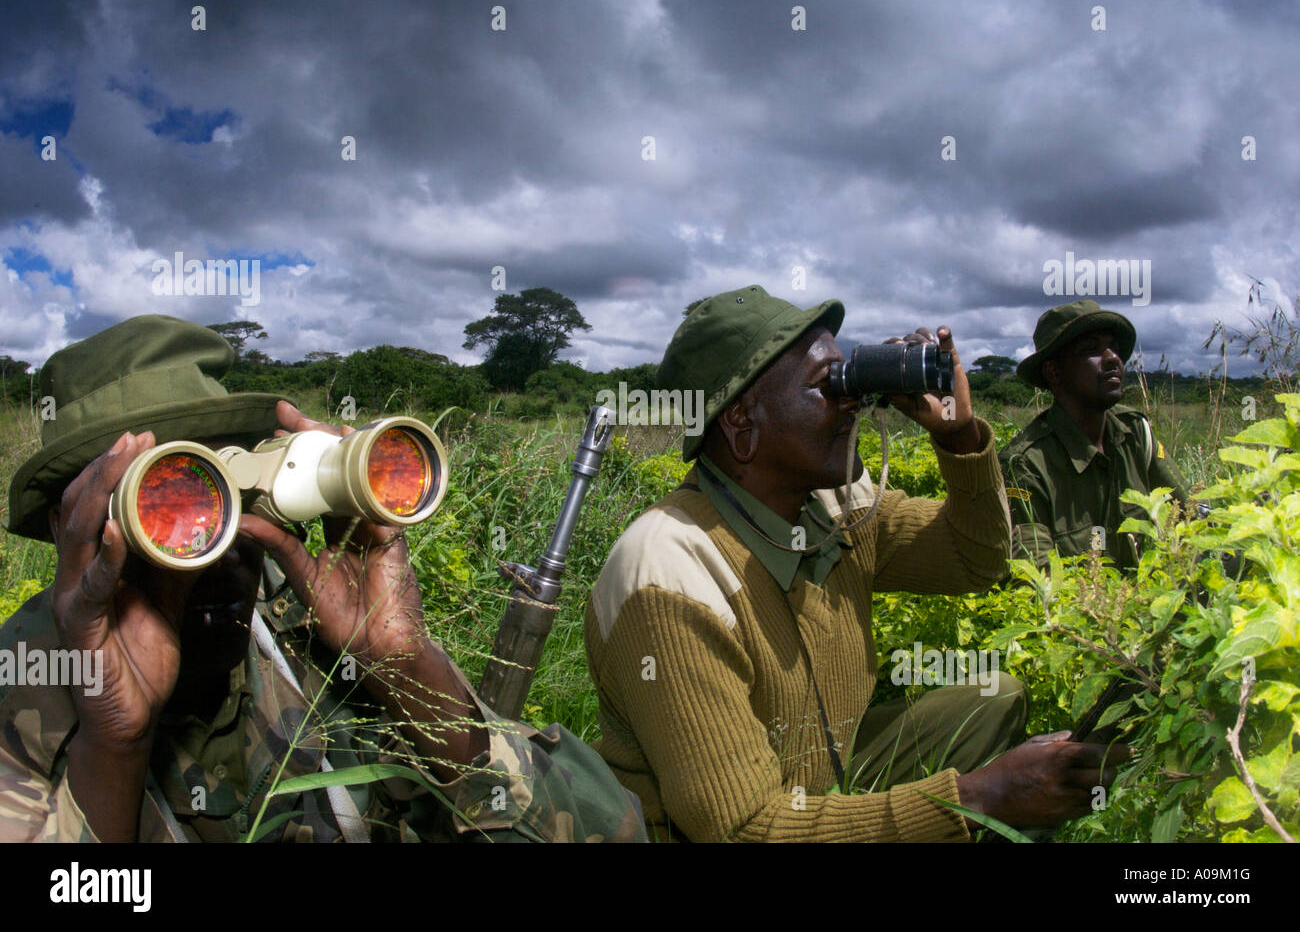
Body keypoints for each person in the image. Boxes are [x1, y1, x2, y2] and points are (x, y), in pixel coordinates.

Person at [0, 315, 646, 843]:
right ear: (69, 525)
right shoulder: (22, 690)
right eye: (166, 503)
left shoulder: (304, 634)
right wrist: (115, 744)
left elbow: (611, 831)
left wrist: (403, 665)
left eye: (227, 487)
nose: (217, 549)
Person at [583, 285, 1124, 842]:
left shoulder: (834, 507)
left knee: (994, 697)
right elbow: (745, 830)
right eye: (828, 387)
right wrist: (983, 795)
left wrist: (958, 434)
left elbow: (977, 560)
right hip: (737, 827)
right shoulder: (668, 572)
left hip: (824, 769)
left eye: (852, 380)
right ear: (742, 423)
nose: (854, 401)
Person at [999, 300, 1190, 571]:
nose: (1113, 358)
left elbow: (1192, 514)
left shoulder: (1135, 433)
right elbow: (1036, 581)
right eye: (1091, 350)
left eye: (1114, 347)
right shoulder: (1025, 465)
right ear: (1054, 372)